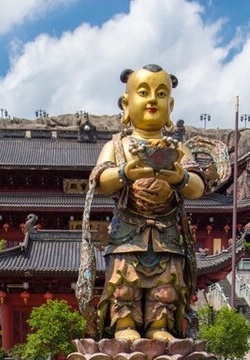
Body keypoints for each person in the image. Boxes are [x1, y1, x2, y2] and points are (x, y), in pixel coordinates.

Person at [87, 64, 206, 342]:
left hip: (166, 234)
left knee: (166, 288)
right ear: (126, 104)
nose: (152, 99)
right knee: (124, 286)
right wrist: (124, 173)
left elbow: (198, 187)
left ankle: (159, 325)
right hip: (127, 233)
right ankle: (123, 324)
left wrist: (179, 177)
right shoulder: (117, 146)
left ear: (170, 106)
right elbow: (100, 181)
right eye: (143, 92)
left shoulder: (177, 149)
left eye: (161, 94)